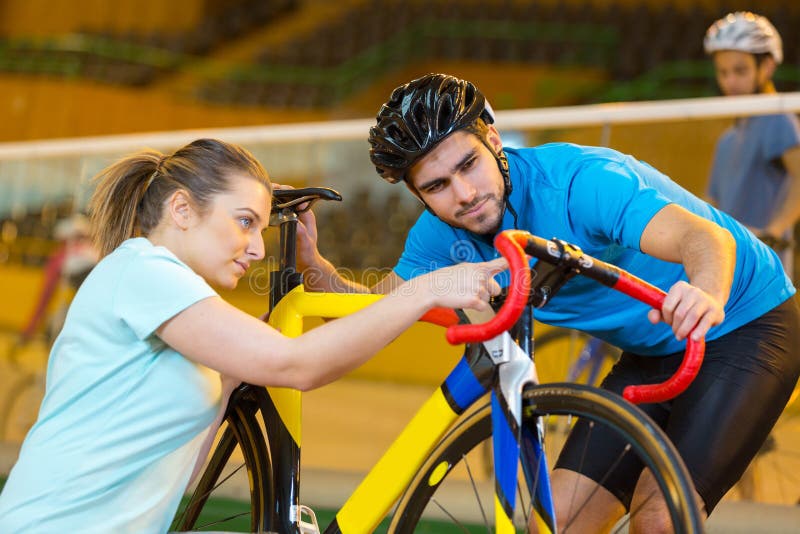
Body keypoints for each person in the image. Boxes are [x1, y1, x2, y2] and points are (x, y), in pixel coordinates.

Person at [294, 74, 800, 531]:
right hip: (651, 352)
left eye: (468, 164)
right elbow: (377, 310)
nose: (465, 194)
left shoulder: (579, 181)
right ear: (417, 194)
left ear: (494, 141)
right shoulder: (438, 237)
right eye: (437, 186)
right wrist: (315, 266)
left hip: (744, 322)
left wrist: (707, 290)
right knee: (555, 526)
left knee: (659, 521)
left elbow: (704, 237)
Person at [0, 138, 505, 532]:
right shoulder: (141, 270)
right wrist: (425, 290)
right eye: (244, 222)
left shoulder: (186, 322)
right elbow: (297, 365)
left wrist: (312, 270)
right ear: (181, 210)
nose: (257, 249)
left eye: (260, 230)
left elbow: (176, 480)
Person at [704, 11, 800, 278]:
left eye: (740, 70)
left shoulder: (778, 118)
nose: (729, 81)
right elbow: (712, 201)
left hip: (765, 272)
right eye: (723, 72)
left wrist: (774, 231)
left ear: (767, 66)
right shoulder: (728, 138)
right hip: (727, 267)